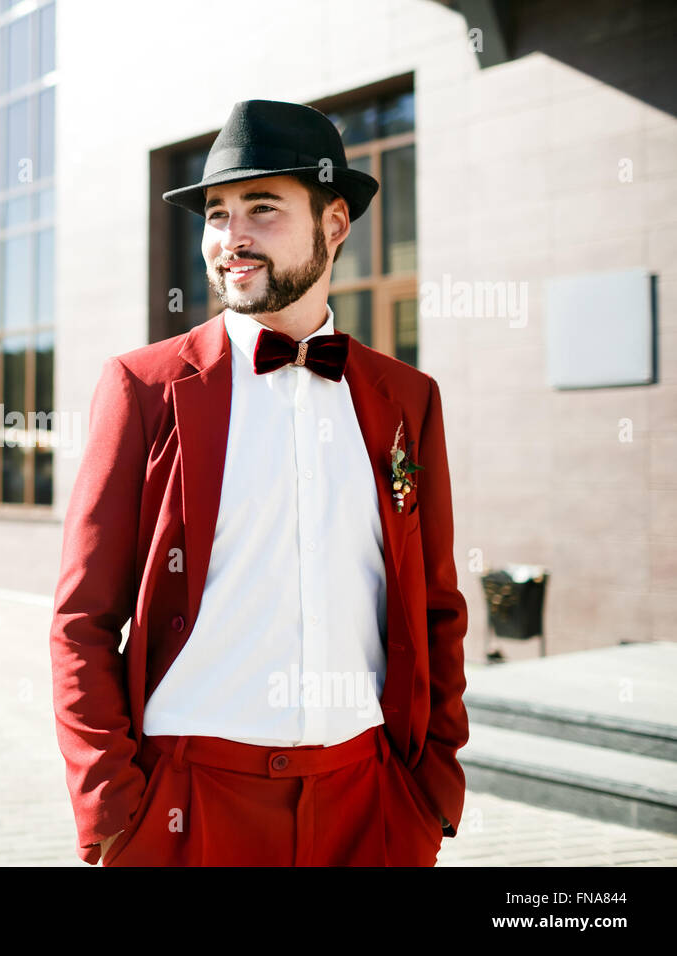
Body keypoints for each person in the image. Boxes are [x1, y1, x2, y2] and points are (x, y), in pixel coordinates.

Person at [49, 100, 468, 866]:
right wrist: (111, 806)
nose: (230, 237)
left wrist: (432, 792)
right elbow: (83, 617)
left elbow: (438, 608)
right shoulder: (145, 388)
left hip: (370, 805)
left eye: (263, 208)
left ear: (334, 225)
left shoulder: (408, 399)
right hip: (187, 808)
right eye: (216, 214)